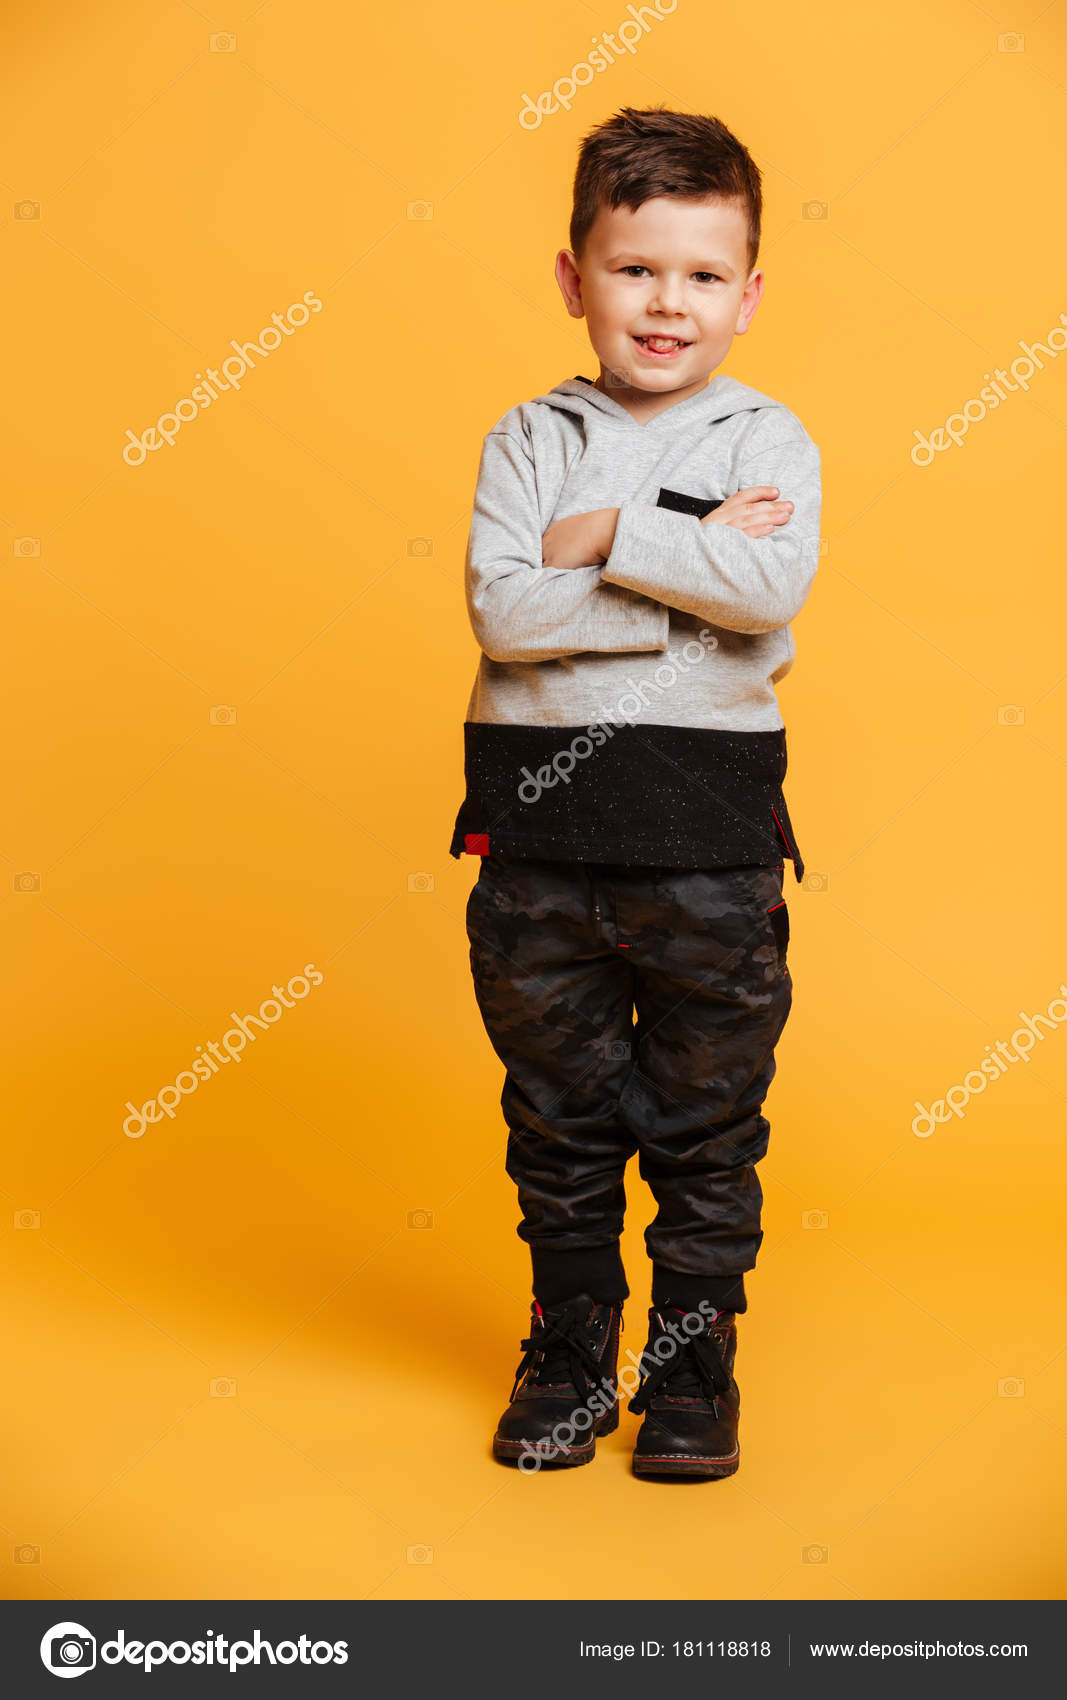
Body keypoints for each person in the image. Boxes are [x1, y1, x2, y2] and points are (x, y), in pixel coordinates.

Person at [449, 106, 822, 1478]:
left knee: (707, 1126)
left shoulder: (770, 438)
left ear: (748, 295)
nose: (669, 303)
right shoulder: (530, 436)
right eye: (635, 269)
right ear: (576, 279)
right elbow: (506, 612)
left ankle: (691, 1363)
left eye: (703, 274)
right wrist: (681, 558)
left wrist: (602, 537)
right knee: (559, 1122)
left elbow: (768, 590)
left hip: (709, 846)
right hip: (540, 846)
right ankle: (568, 1351)